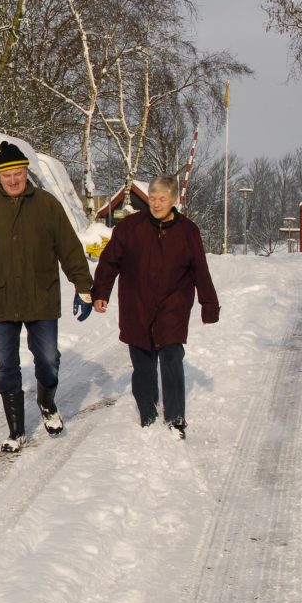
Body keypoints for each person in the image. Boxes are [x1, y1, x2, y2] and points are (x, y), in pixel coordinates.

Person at [0, 141, 94, 452]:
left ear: (26, 172)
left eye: (18, 173)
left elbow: (70, 250)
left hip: (40, 297)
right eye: (7, 176)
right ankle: (16, 430)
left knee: (49, 360)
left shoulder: (47, 205)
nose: (13, 180)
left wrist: (84, 288)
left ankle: (46, 402)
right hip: (1, 298)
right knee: (7, 366)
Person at [90, 176, 219, 439]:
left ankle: (176, 418)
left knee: (172, 358)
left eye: (162, 199)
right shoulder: (130, 227)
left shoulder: (187, 231)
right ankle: (147, 414)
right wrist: (100, 292)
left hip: (173, 305)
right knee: (143, 362)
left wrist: (209, 304)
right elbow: (109, 261)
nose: (157, 203)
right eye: (153, 198)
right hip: (136, 305)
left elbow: (200, 271)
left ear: (174, 201)